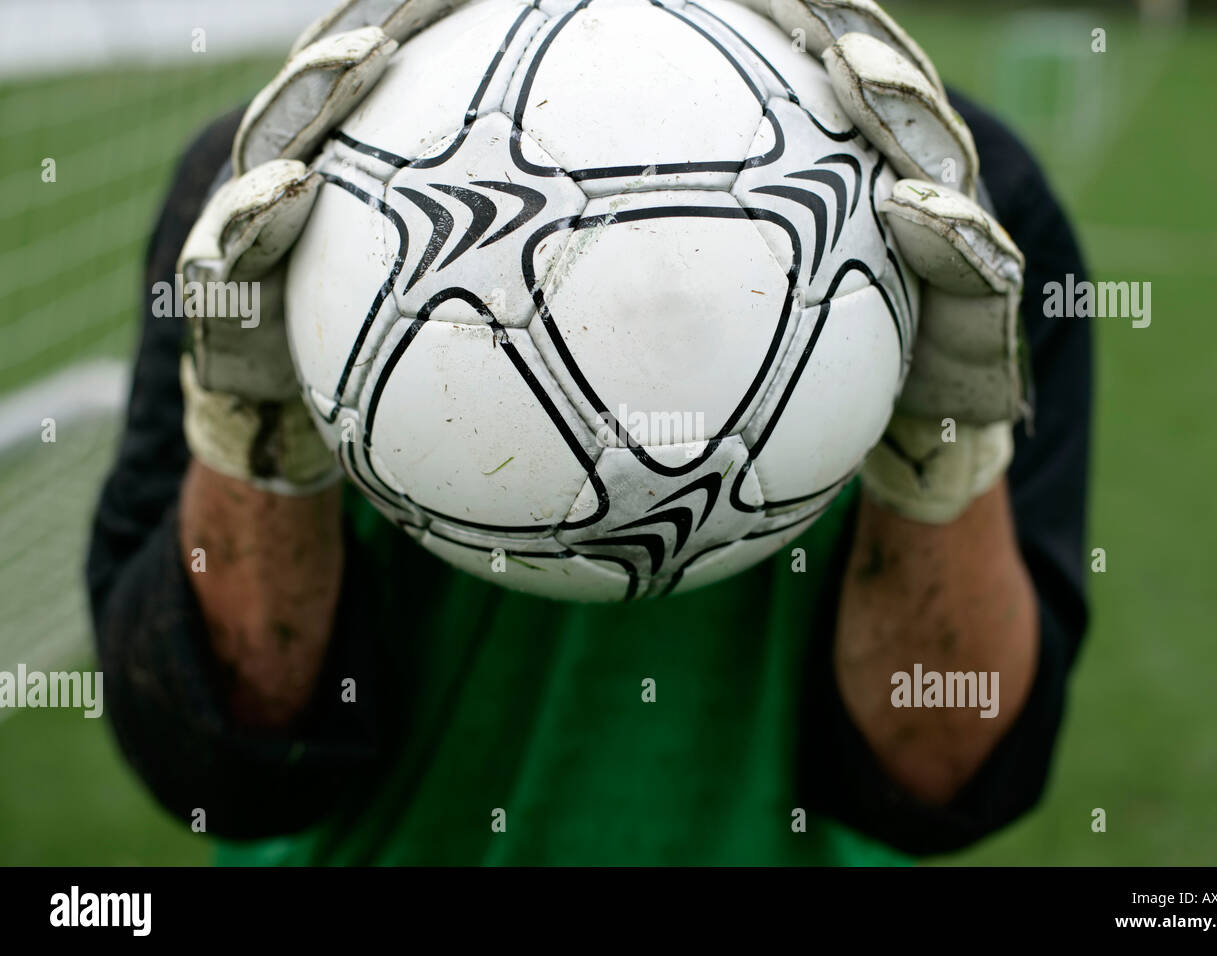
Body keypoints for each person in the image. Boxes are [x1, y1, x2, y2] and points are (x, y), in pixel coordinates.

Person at [86, 0, 1092, 865]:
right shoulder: (264, 186)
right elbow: (212, 757)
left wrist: (939, 449)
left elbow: (944, 767)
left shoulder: (959, 200)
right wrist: (259, 435)